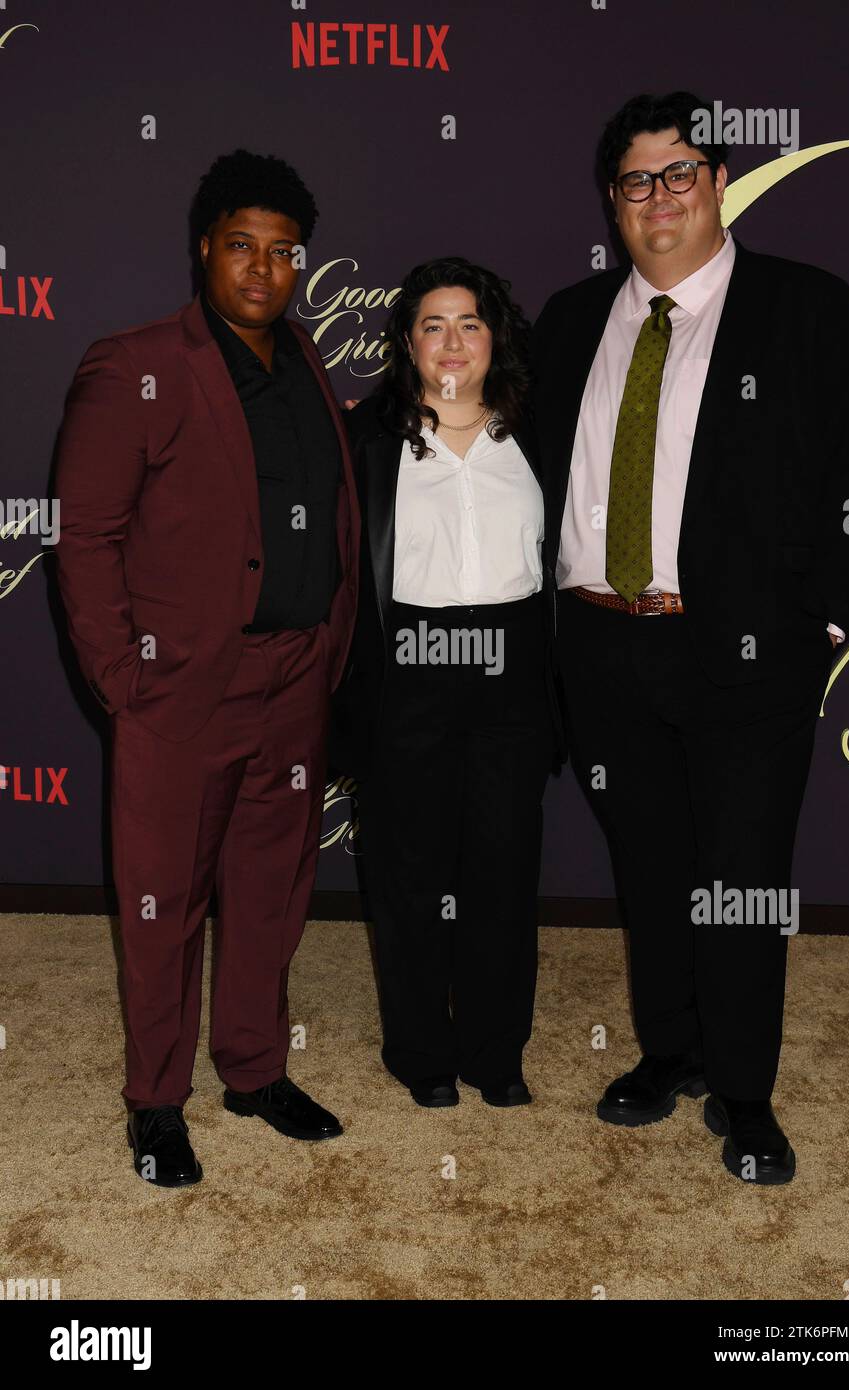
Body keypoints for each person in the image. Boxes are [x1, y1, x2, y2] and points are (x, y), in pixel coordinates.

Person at [532, 92, 849, 1183]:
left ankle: (743, 1092)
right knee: (649, 868)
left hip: (744, 654)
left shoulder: (802, 306)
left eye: (679, 172)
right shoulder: (567, 318)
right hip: (600, 647)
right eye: (636, 179)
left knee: (737, 875)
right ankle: (671, 1050)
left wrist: (819, 621)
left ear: (718, 182)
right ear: (612, 198)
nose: (658, 197)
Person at [54, 149, 360, 1186]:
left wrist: (325, 647)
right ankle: (154, 1101)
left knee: (271, 891)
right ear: (203, 248)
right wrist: (123, 678)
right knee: (161, 903)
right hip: (181, 688)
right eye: (243, 246)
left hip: (294, 683)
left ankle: (254, 1068)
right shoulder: (135, 363)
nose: (264, 270)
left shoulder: (307, 364)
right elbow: (85, 536)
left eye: (282, 252)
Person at [334, 257, 562, 1108]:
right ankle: (421, 1050)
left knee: (503, 869)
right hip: (408, 669)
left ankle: (496, 1052)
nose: (452, 341)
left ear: (493, 335)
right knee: (407, 873)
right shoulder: (366, 438)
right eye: (433, 325)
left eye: (468, 322)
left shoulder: (536, 430)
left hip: (510, 668)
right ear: (406, 343)